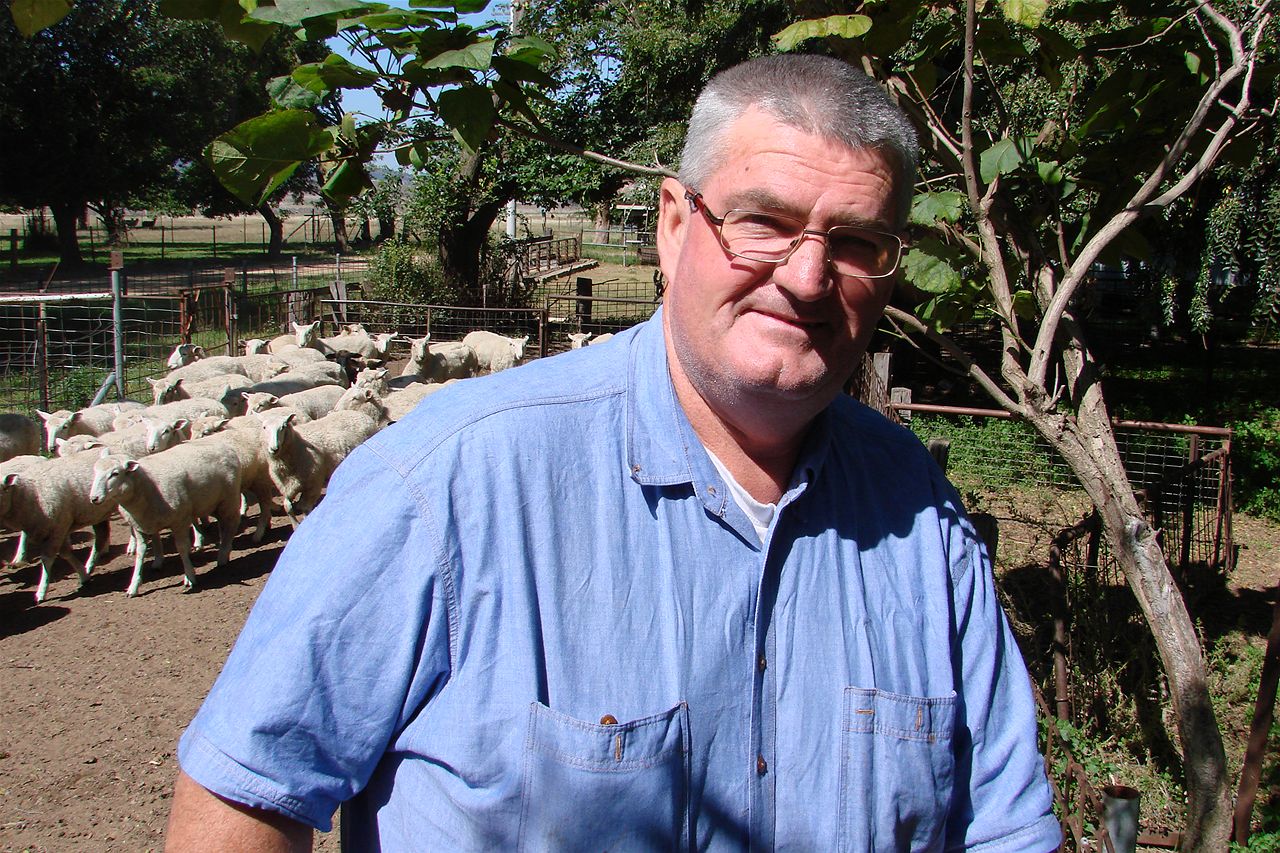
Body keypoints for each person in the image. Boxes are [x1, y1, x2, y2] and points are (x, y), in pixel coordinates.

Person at [165, 54, 1061, 851]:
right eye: (763, 221)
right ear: (675, 225)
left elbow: (1002, 826)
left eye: (857, 241)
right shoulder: (448, 482)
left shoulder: (918, 513)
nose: (806, 276)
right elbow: (245, 793)